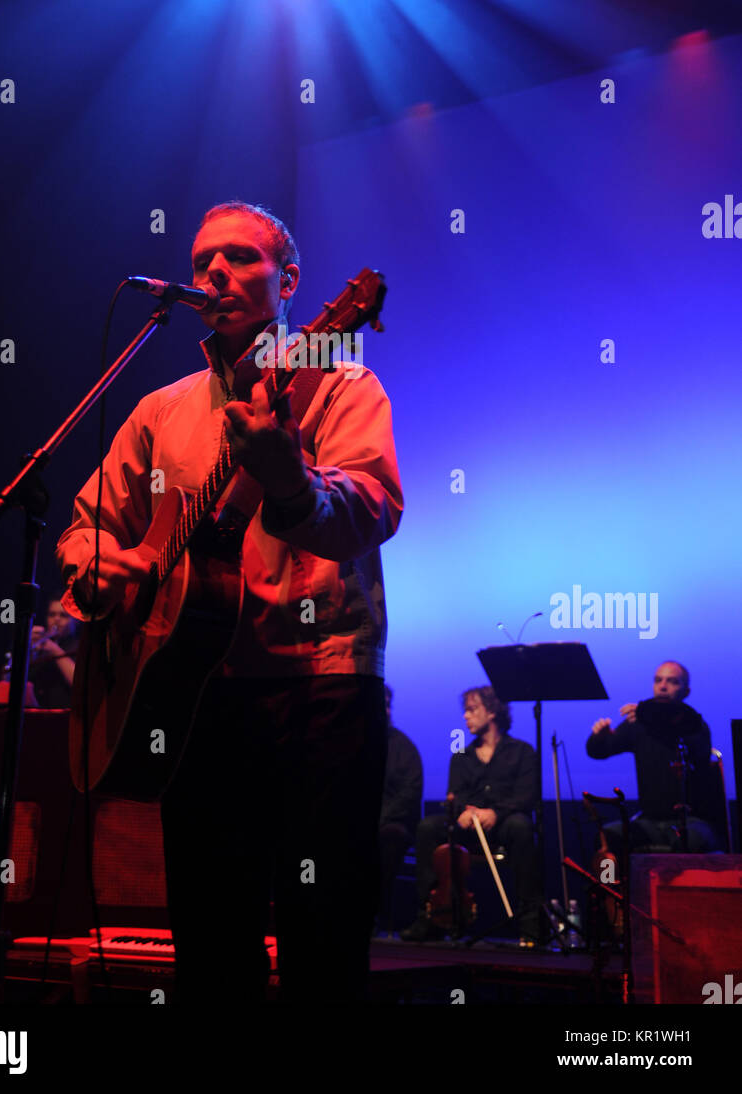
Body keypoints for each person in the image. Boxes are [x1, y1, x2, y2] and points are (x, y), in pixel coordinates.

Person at [56, 200, 403, 1004]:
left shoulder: (337, 378)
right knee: (211, 945)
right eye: (205, 258)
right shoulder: (159, 410)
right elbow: (87, 527)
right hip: (196, 696)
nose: (215, 271)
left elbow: (373, 509)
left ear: (288, 281)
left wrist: (289, 482)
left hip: (318, 682)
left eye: (241, 258)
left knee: (322, 935)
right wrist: (101, 570)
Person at [401, 686, 542, 945]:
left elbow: (526, 796)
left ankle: (530, 923)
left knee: (522, 827)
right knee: (428, 828)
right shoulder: (462, 756)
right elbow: (454, 794)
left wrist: (495, 812)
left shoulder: (522, 751)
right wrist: (463, 812)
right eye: (465, 710)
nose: (466, 716)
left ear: (491, 712)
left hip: (503, 823)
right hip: (469, 825)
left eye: (472, 709)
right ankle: (431, 916)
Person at [586, 660, 720, 852]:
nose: (663, 686)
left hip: (691, 821)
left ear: (686, 691)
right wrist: (598, 737)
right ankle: (610, 882)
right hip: (649, 821)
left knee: (687, 842)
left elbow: (686, 731)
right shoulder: (639, 725)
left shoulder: (694, 725)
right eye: (658, 680)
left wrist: (648, 711)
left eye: (672, 681)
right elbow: (598, 752)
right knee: (608, 837)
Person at [376, 684, 423, 932]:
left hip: (391, 824)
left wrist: (378, 819)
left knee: (387, 838)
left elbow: (409, 795)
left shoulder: (403, 747)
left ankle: (380, 914)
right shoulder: (346, 743)